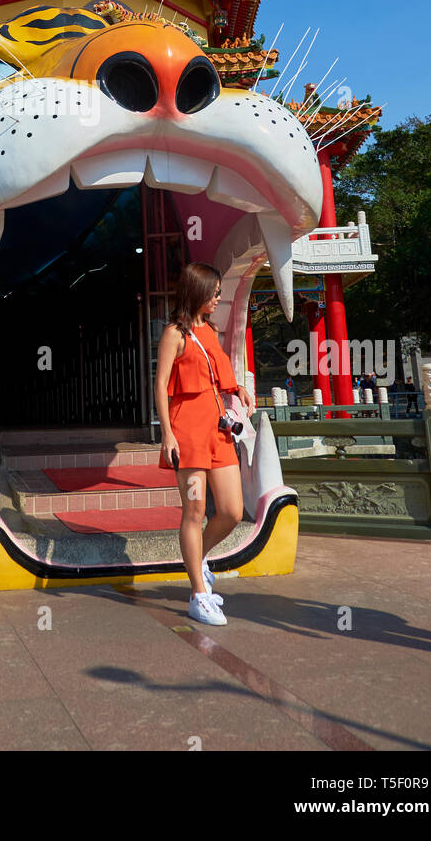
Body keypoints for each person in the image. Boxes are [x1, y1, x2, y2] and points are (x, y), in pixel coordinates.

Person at [156, 262, 254, 627]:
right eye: (213, 292)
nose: (217, 297)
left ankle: (197, 559)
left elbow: (219, 373)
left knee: (231, 509)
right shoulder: (174, 334)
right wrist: (167, 433)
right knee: (194, 512)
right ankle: (199, 594)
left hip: (218, 431)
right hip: (189, 434)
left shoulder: (210, 330)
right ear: (197, 292)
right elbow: (161, 386)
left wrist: (237, 387)